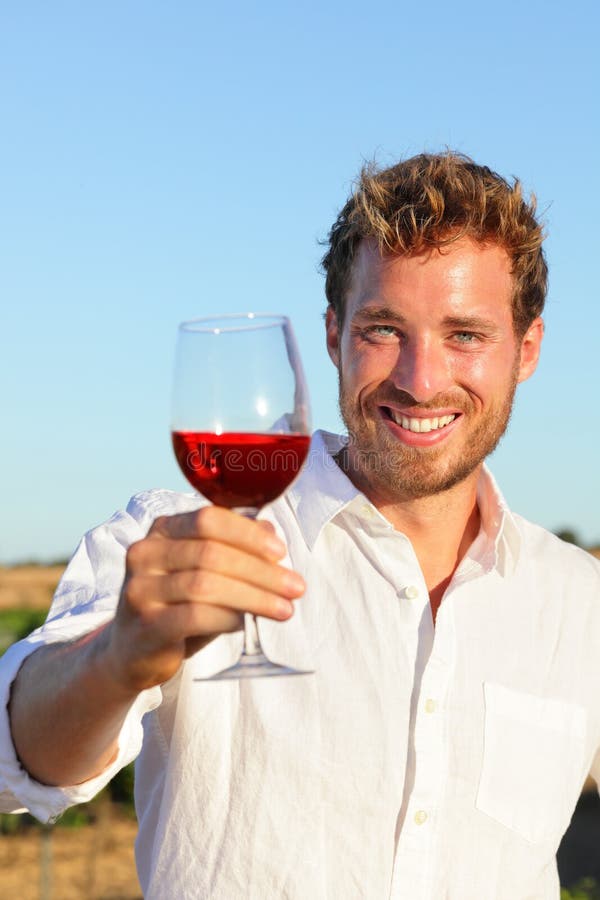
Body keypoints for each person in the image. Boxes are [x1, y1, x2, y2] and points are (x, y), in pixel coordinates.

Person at [1, 151, 599, 900]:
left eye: (465, 336)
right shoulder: (178, 541)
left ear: (527, 350)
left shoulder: (579, 599)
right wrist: (114, 659)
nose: (420, 380)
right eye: (383, 329)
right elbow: (17, 763)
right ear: (333, 334)